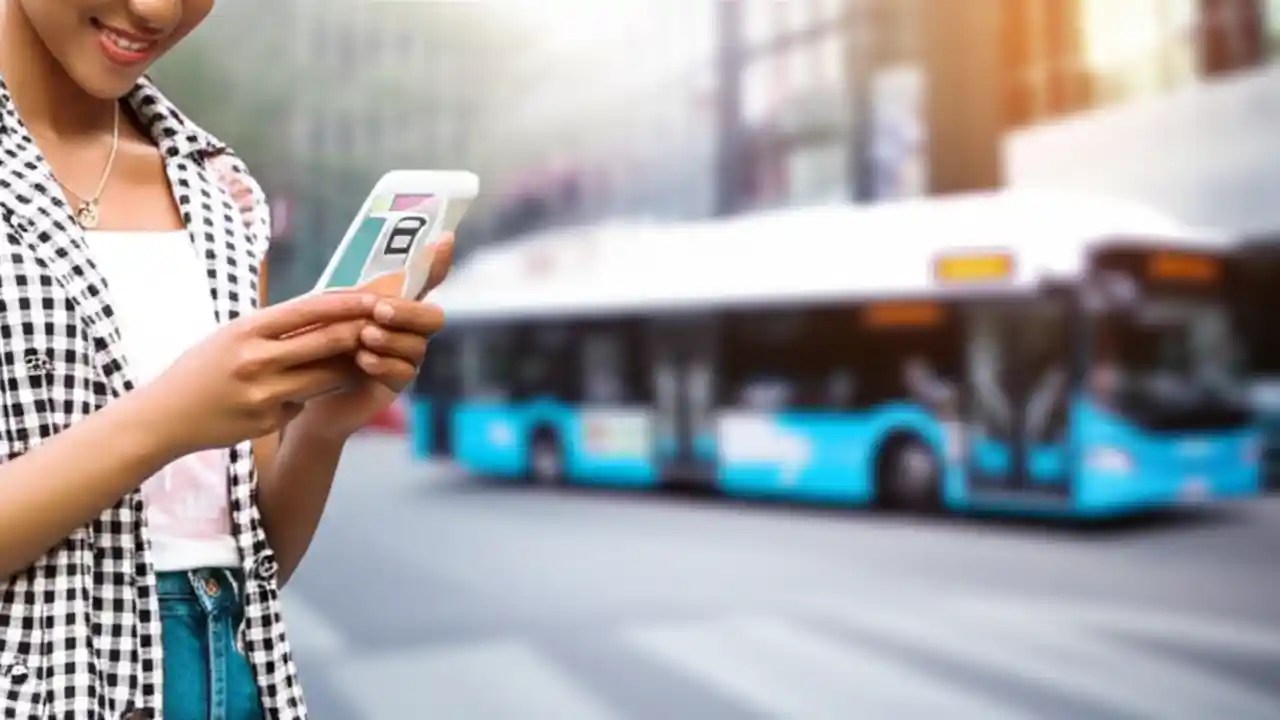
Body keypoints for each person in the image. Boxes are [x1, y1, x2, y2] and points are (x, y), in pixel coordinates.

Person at [0, 1, 451, 718]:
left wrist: (324, 426)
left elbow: (255, 553)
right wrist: (166, 420)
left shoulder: (222, 192)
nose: (157, 8)